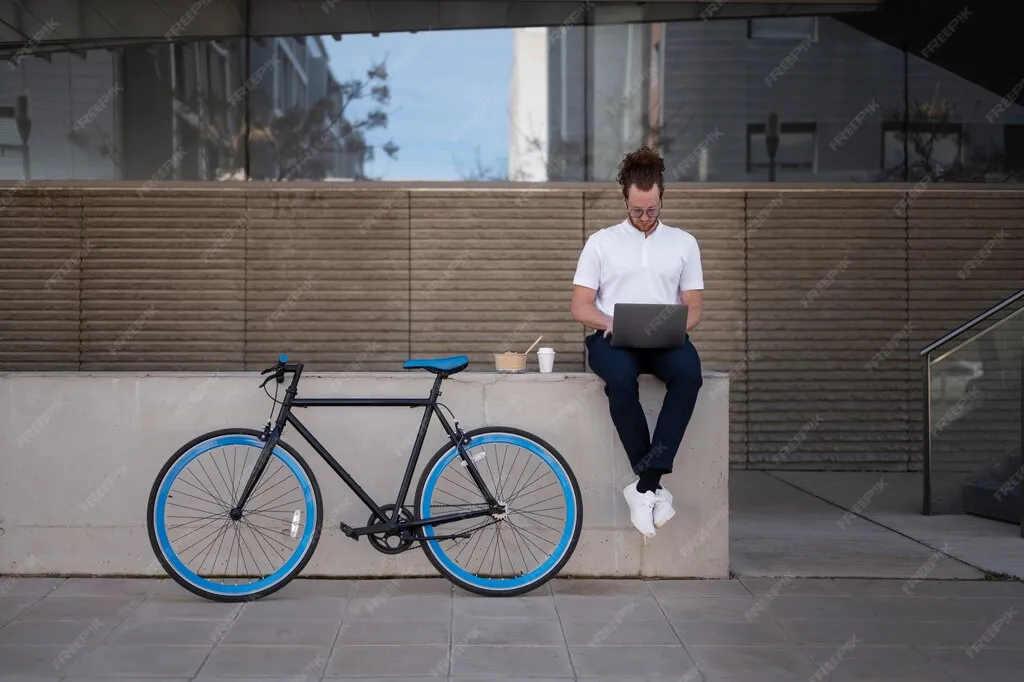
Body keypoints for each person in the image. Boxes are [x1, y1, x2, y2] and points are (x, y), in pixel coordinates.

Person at [569, 146, 704, 539]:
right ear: (625, 200)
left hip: (666, 338)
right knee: (621, 381)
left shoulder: (683, 242)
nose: (645, 217)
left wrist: (677, 326)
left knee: (689, 375)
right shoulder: (601, 242)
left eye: (652, 209)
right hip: (612, 340)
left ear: (662, 198)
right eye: (637, 210)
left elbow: (694, 306)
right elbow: (580, 306)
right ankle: (652, 486)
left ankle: (644, 487)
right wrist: (609, 321)